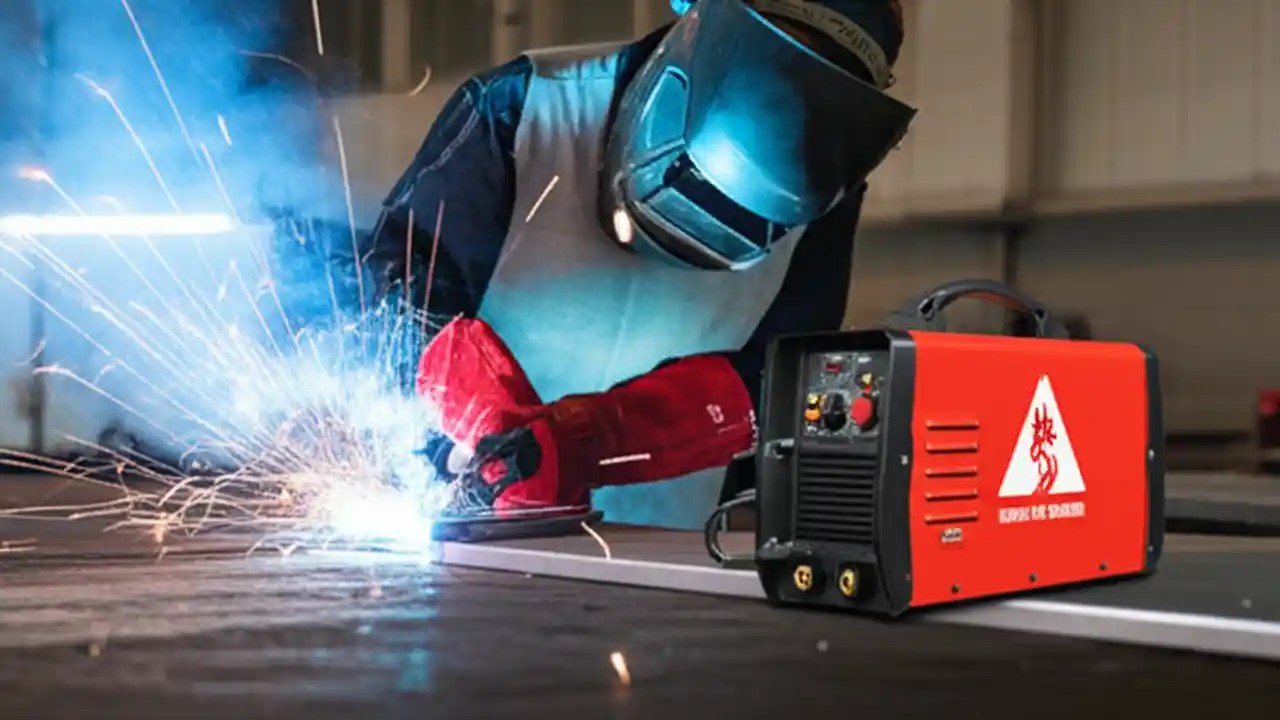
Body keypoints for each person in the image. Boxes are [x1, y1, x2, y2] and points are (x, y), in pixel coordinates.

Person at [341, 0, 916, 528]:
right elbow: (393, 304)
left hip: (664, 567)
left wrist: (595, 437)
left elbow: (782, 376)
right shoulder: (523, 111)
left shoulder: (827, 189)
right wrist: (491, 426)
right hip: (464, 537)